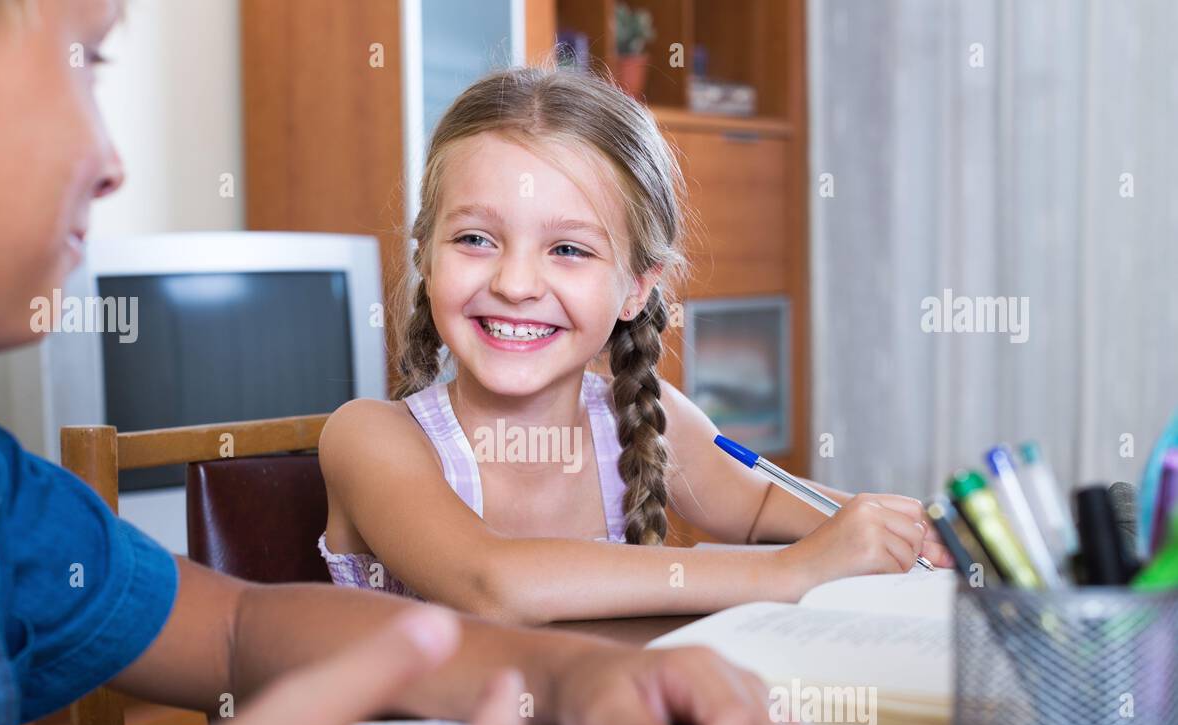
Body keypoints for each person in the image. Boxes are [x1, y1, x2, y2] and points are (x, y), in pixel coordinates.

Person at [0, 0, 829, 725]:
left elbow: (237, 627)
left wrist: (574, 676)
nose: (111, 161)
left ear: (637, 286)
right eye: (86, 61)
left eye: (568, 249)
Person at [319, 65, 951, 622]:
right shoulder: (369, 438)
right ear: (426, 256)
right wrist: (791, 572)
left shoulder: (642, 419)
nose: (514, 284)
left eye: (568, 249)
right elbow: (492, 582)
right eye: (476, 239)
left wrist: (905, 528)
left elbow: (758, 504)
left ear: (635, 289)